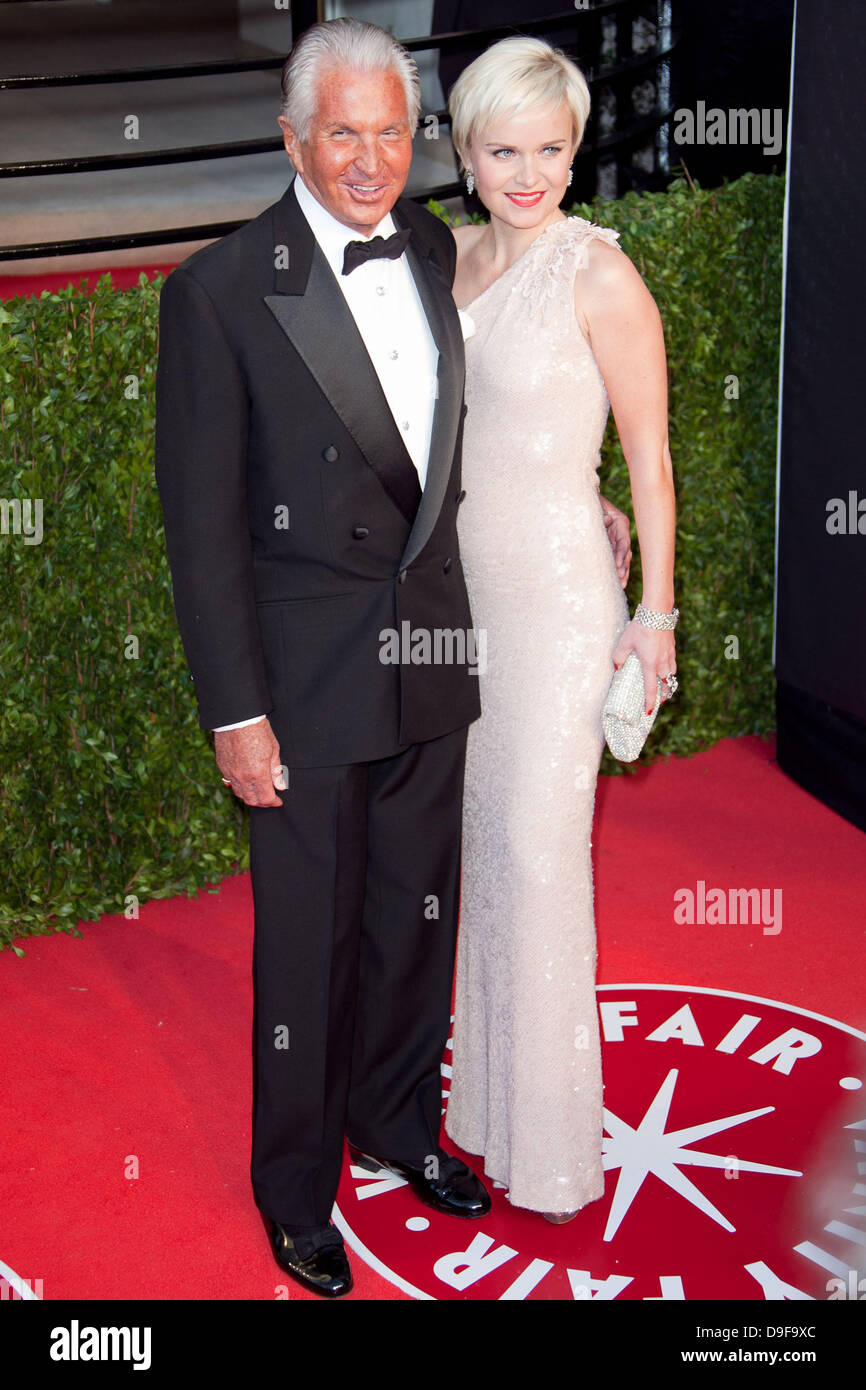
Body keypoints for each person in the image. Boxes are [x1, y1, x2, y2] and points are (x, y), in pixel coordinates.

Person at [154, 17, 495, 1300]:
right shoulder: (222, 290)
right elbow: (202, 531)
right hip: (302, 684)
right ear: (292, 136)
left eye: (390, 130)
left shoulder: (429, 242)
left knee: (415, 917)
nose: (368, 159)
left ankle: (397, 1123)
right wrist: (235, 711)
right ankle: (295, 1189)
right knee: (305, 946)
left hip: (429, 651)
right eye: (340, 132)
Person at [443, 36, 678, 1222]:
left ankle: (548, 1152)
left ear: (575, 152)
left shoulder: (597, 274)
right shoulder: (449, 263)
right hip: (462, 609)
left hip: (557, 605)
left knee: (539, 861)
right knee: (485, 855)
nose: (527, 173)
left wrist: (656, 616)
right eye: (503, 150)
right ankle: (483, 1106)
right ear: (466, 151)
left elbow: (647, 457)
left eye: (550, 149)